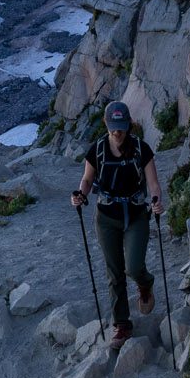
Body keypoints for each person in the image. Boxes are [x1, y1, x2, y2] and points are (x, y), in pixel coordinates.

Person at [72, 100, 163, 349]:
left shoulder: (141, 150)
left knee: (133, 267)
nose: (117, 132)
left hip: (136, 215)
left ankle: (145, 284)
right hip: (106, 218)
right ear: (106, 124)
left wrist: (156, 200)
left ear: (128, 124)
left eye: (121, 127)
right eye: (113, 127)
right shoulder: (97, 150)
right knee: (114, 273)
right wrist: (80, 195)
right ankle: (122, 324)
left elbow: (153, 183)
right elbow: (87, 180)